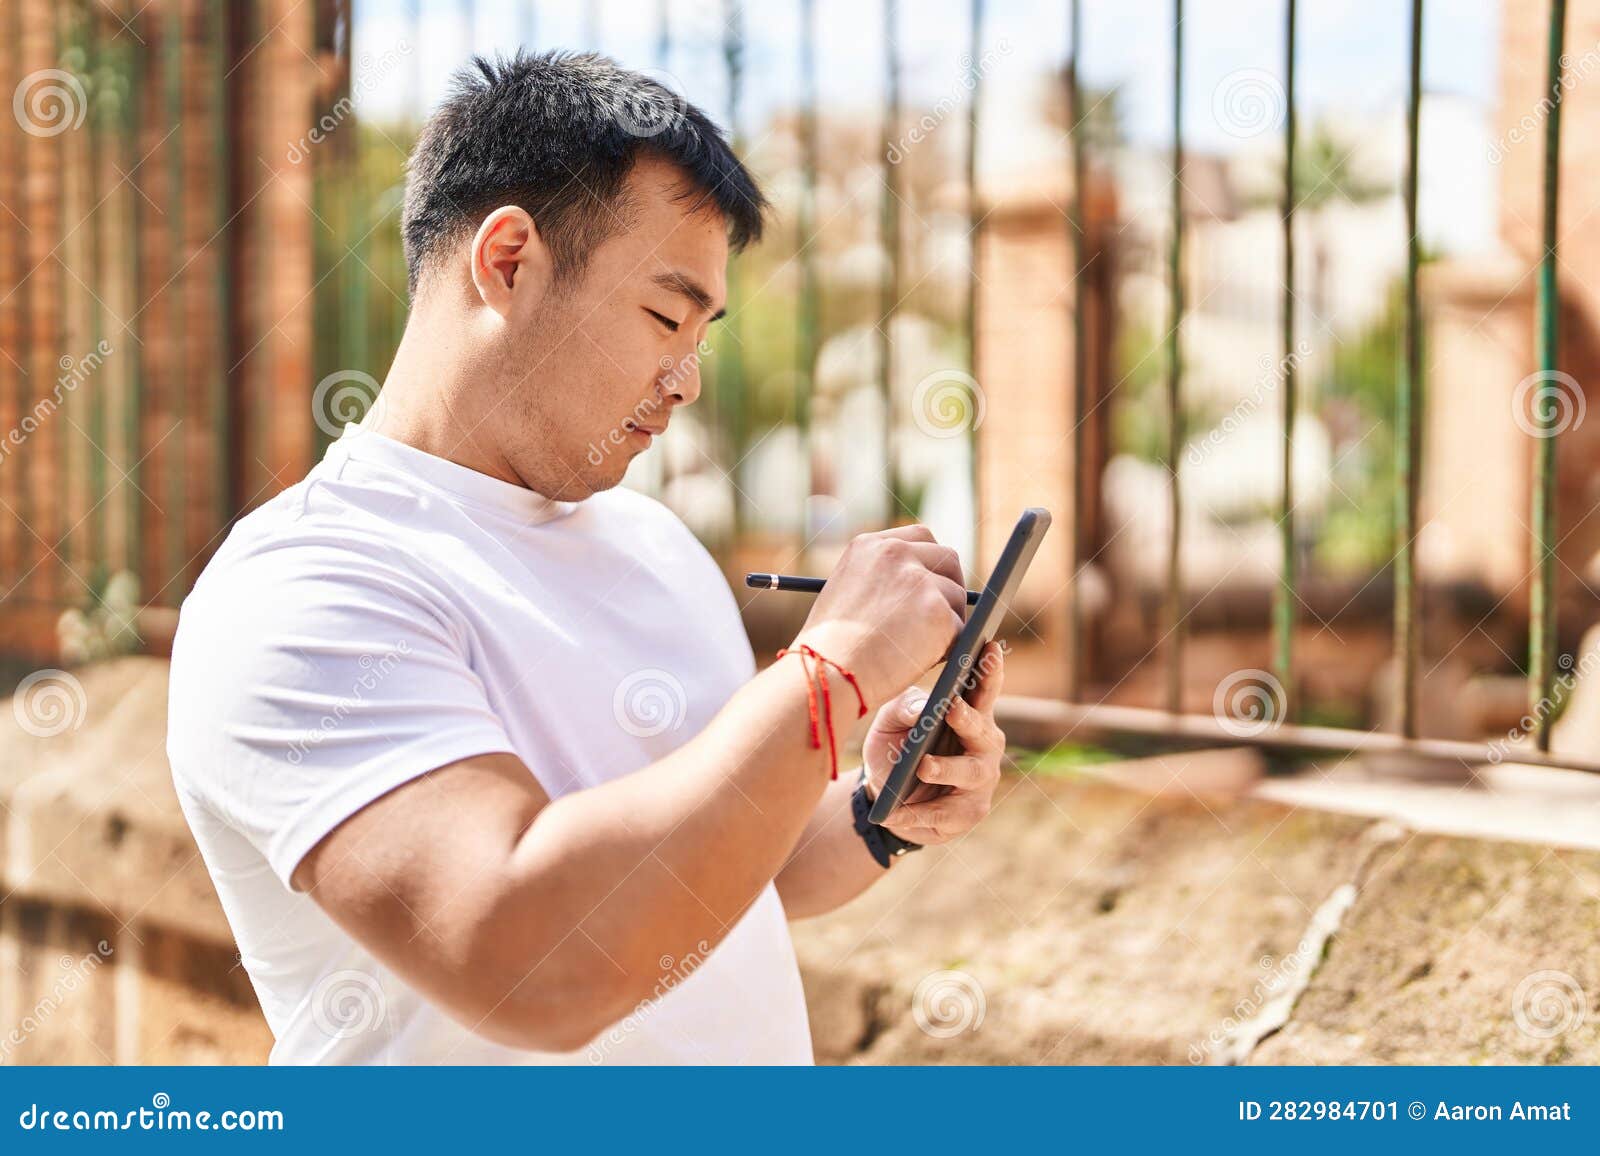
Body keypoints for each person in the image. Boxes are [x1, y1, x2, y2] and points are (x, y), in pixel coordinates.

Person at [166, 50, 1006, 1065]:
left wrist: (877, 811)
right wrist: (830, 678)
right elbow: (526, 964)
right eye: (663, 315)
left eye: (704, 332)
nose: (686, 380)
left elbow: (734, 876)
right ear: (508, 260)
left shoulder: (655, 545)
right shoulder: (301, 585)